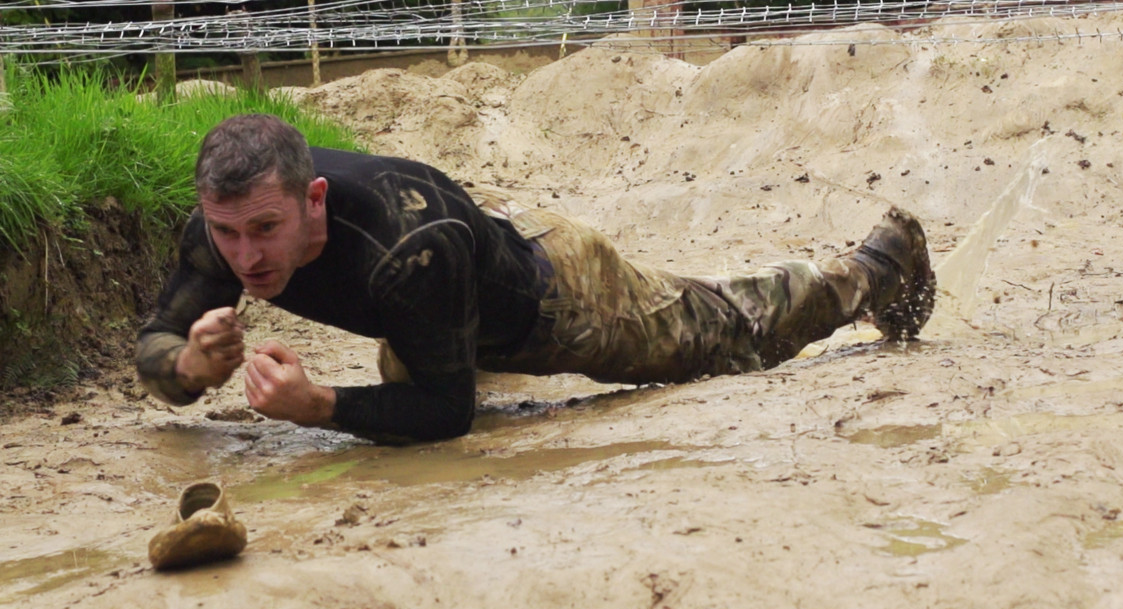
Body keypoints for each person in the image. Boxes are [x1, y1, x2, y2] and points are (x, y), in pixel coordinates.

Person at [137, 114, 936, 443]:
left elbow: (447, 415)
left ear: (313, 199)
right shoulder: (221, 229)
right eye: (228, 233)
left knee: (725, 331)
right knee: (406, 359)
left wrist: (316, 407)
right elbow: (156, 348)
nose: (246, 258)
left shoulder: (406, 250)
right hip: (458, 277)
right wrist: (188, 365)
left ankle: (880, 265)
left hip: (557, 293)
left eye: (266, 230)